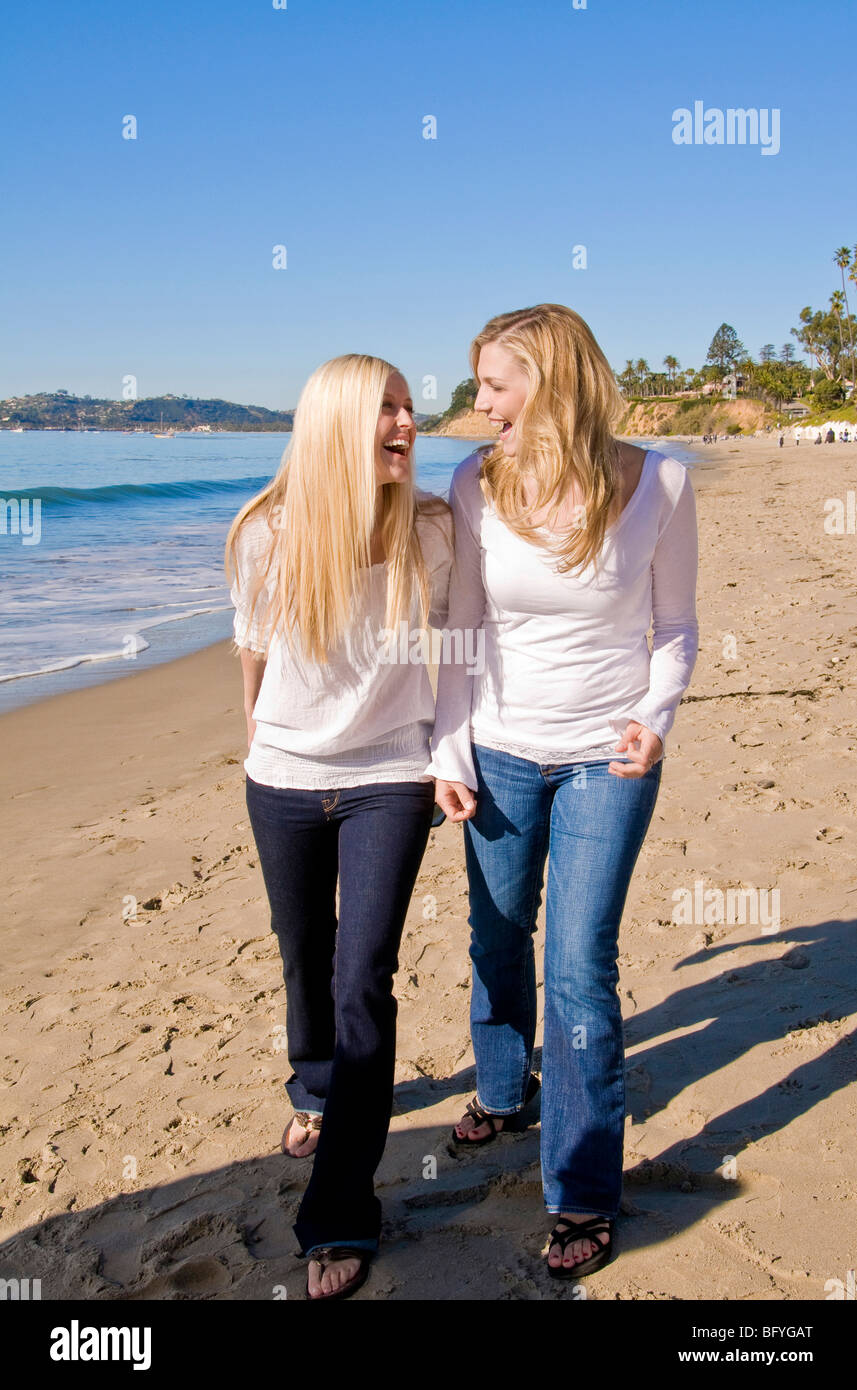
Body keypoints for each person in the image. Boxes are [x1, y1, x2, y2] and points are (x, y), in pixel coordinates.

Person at [428, 304, 698, 1280]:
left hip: (605, 755)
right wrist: (447, 750)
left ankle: (581, 1187)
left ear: (551, 382)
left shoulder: (658, 479)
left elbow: (673, 625)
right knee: (496, 929)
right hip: (496, 747)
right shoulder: (471, 480)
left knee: (578, 959)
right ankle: (502, 1088)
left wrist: (655, 713)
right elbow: (456, 628)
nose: (478, 403)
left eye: (494, 384)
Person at [226, 354, 453, 1300]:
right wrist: (263, 752)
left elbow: (470, 644)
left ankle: (339, 1211)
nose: (409, 420)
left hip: (391, 776)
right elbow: (251, 659)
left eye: (410, 406)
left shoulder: (435, 529)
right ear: (334, 426)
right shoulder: (266, 534)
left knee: (363, 974)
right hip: (281, 776)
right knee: (301, 951)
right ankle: (314, 1088)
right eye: (386, 409)